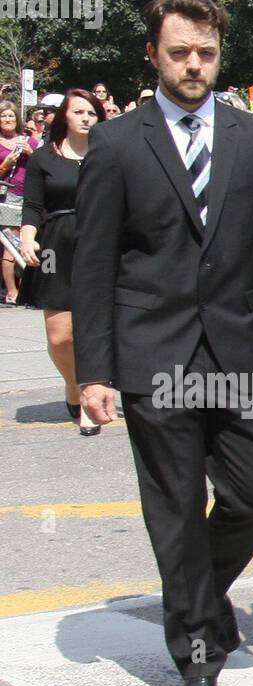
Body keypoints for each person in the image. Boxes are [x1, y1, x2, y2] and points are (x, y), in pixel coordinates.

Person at [72, 0, 253, 686]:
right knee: (175, 511)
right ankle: (199, 659)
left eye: (205, 53)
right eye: (179, 52)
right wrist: (94, 371)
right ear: (152, 54)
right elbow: (94, 266)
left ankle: (197, 602)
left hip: (239, 350)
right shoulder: (117, 145)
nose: (193, 65)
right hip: (156, 354)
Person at [19, 89, 104, 433]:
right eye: (79, 112)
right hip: (56, 245)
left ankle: (88, 395)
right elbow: (33, 206)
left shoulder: (109, 155)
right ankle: (72, 383)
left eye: (92, 113)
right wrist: (27, 236)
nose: (85, 118)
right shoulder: (44, 158)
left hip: (100, 245)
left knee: (95, 330)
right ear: (64, 117)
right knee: (60, 337)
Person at [0, 98, 35, 306]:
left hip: (29, 193)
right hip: (7, 195)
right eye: (3, 115)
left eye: (11, 115)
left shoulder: (28, 140)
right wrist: (6, 164)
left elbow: (44, 164)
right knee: (10, 245)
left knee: (27, 242)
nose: (7, 119)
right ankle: (12, 291)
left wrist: (31, 154)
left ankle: (26, 288)